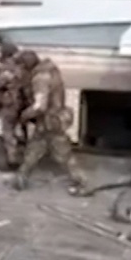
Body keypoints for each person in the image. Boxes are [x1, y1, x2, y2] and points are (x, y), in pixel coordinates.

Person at [14, 52, 88, 193]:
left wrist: (23, 117)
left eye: (21, 67)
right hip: (52, 120)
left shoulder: (40, 79)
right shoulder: (50, 70)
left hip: (50, 121)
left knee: (61, 153)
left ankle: (82, 182)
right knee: (35, 148)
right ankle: (20, 178)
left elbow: (39, 106)